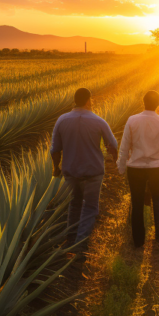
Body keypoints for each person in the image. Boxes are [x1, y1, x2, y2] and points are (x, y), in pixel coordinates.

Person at [51, 87, 118, 244]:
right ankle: (80, 244)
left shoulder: (62, 120)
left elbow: (55, 149)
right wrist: (114, 159)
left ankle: (71, 238)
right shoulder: (98, 121)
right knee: (90, 208)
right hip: (92, 173)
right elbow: (113, 145)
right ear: (89, 100)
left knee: (74, 205)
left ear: (75, 100)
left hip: (70, 172)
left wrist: (56, 167)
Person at [117, 90, 159, 247]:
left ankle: (138, 240)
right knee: (158, 200)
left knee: (137, 202)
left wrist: (121, 167)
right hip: (156, 168)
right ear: (158, 104)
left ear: (143, 102)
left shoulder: (132, 120)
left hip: (135, 168)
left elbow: (124, 147)